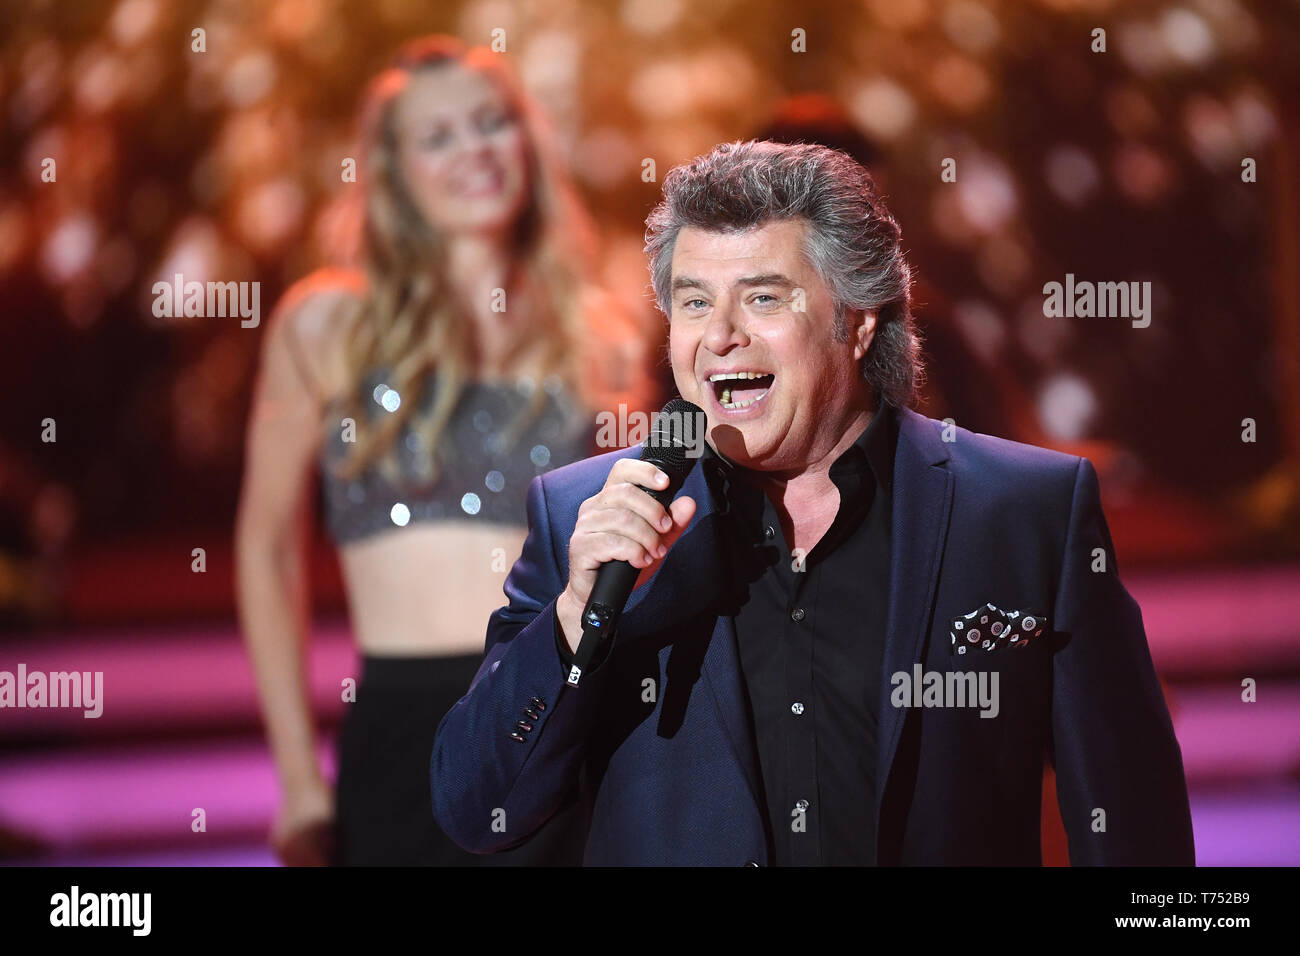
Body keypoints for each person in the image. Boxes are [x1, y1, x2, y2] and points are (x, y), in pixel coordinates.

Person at [430, 140, 1195, 865]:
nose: (720, 336)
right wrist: (573, 620)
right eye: (693, 304)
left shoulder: (1025, 514)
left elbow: (1132, 822)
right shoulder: (581, 516)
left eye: (763, 297)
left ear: (857, 321)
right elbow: (478, 810)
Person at [235, 36, 654, 866]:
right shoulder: (323, 324)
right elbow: (266, 547)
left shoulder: (602, 331)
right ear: (392, 172)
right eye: (438, 136)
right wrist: (297, 780)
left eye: (492, 122)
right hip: (400, 720)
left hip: (561, 703)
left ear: (527, 139)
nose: (474, 151)